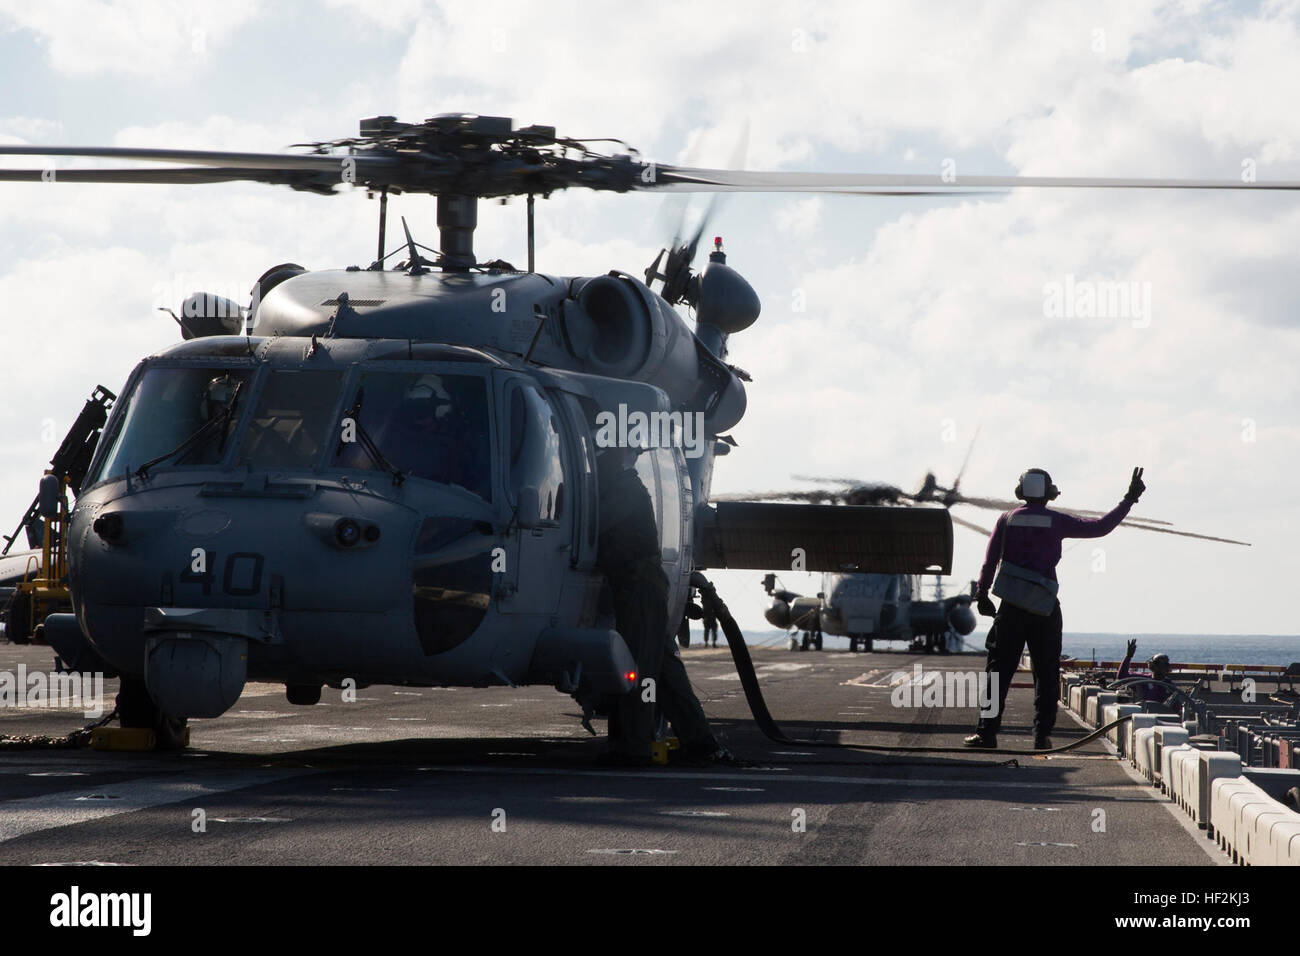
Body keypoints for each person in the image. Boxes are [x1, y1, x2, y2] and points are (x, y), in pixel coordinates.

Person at [964, 466, 1146, 751]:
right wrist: (1129, 499)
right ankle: (1041, 736)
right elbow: (1100, 527)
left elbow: (989, 562)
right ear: (1049, 493)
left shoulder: (1007, 519)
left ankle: (986, 733)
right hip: (1045, 608)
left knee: (997, 673)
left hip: (1010, 607)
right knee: (1046, 674)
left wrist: (982, 594)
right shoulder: (1057, 521)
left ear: (1020, 491)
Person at [595, 446, 723, 765]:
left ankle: (632, 748)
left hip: (639, 589)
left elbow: (597, 523)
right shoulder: (627, 486)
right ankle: (699, 741)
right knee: (664, 671)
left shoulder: (625, 490)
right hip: (645, 589)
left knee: (637, 670)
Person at [1116, 639, 1178, 711]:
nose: (1163, 668)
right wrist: (1128, 657)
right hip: (1143, 717)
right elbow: (1122, 677)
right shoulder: (1142, 680)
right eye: (1160, 665)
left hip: (1165, 718)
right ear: (1153, 666)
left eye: (1164, 665)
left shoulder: (1171, 686)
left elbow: (1177, 708)